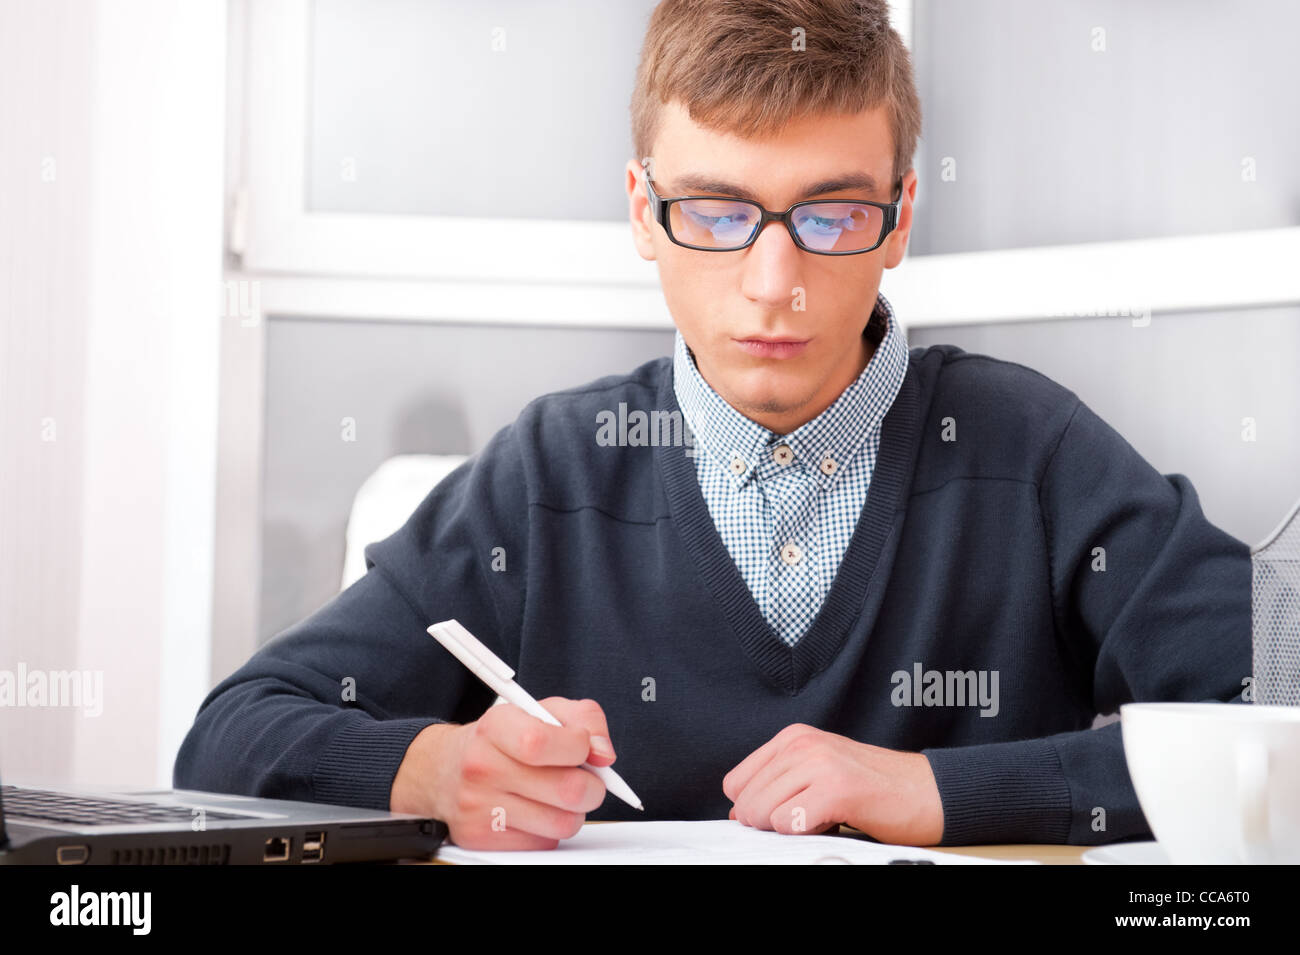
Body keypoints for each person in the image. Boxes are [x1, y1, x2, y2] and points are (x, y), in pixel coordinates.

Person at [174, 0, 1251, 851]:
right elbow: (229, 733)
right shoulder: (549, 476)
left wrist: (942, 789)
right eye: (719, 215)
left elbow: (1281, 717)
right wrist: (430, 770)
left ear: (900, 220)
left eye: (831, 216)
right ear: (643, 212)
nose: (771, 283)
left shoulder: (1030, 454)